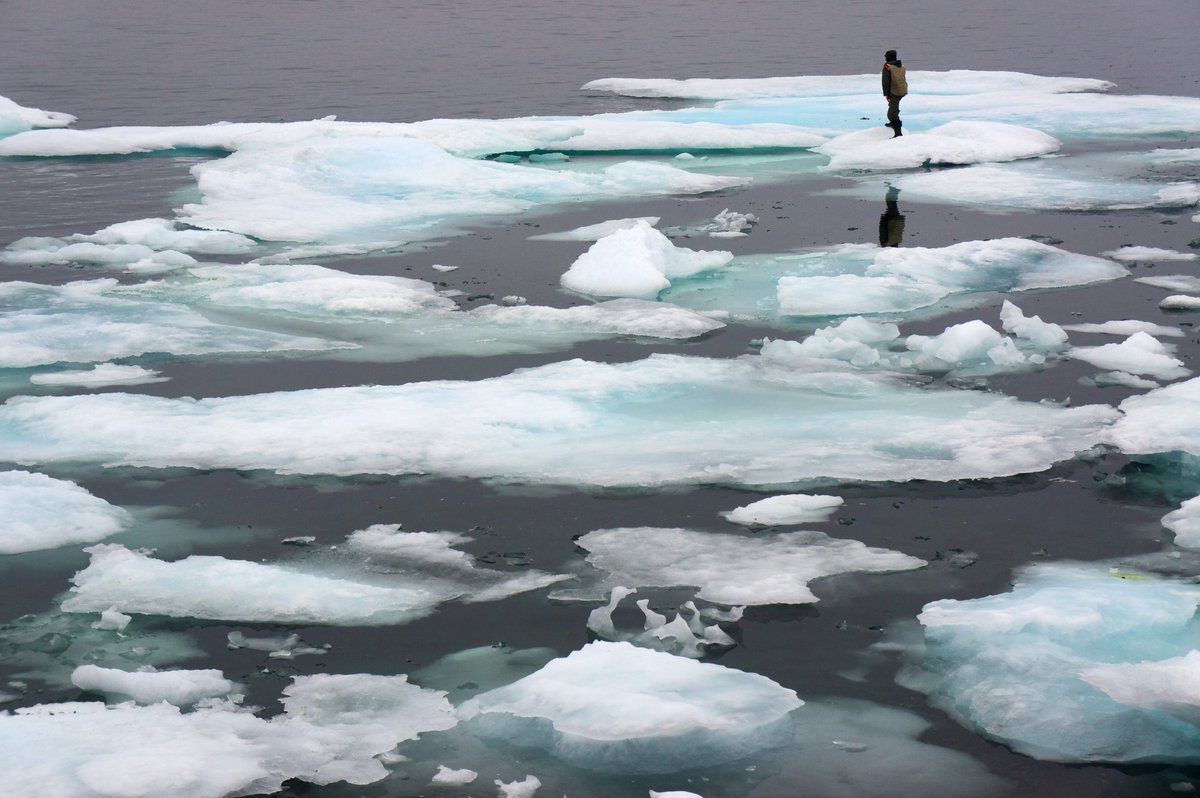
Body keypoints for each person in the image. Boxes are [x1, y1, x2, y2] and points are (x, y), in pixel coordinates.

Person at [882, 49, 907, 137]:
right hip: (902, 90)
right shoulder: (901, 66)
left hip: (894, 92)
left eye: (886, 57)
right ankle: (893, 124)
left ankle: (898, 133)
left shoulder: (887, 67)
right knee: (893, 107)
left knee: (892, 114)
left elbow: (886, 82)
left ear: (888, 57)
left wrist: (886, 94)